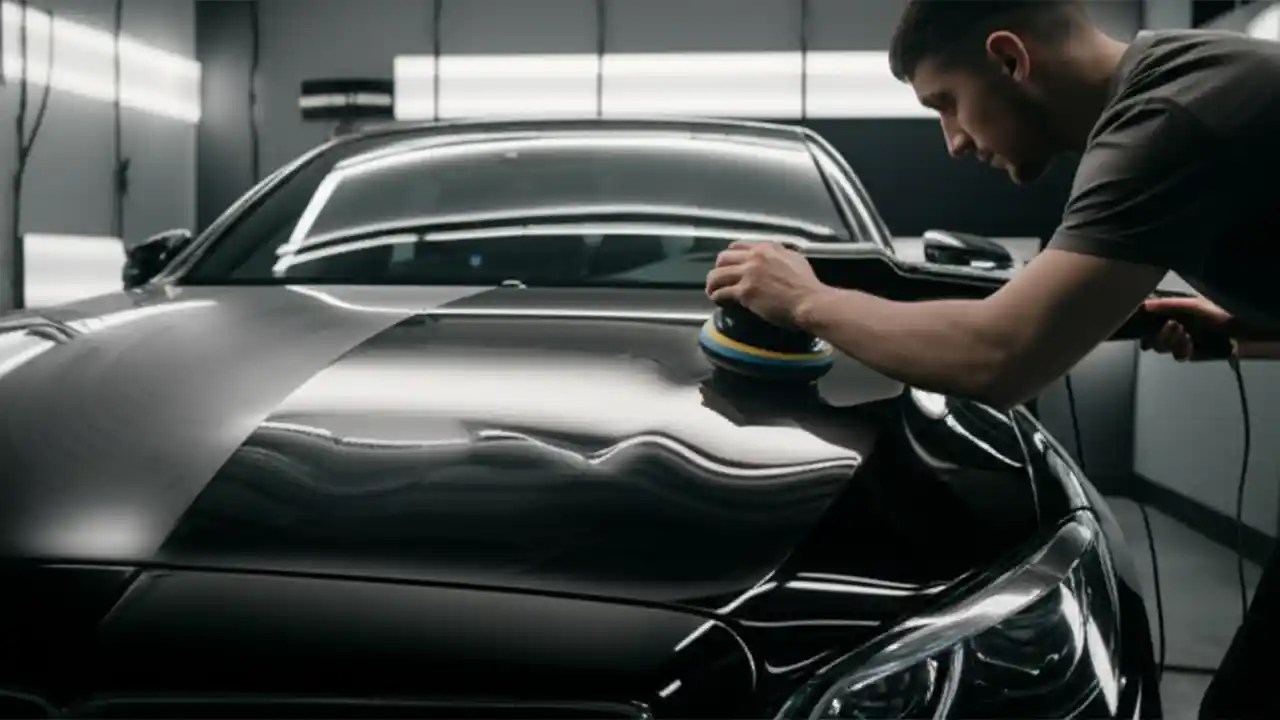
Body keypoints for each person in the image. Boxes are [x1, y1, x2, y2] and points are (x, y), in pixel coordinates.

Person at [705, 1, 1280, 718]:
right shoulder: (1187, 81)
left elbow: (998, 356)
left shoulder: (1166, 120)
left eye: (946, 103)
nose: (952, 143)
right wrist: (1244, 325)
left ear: (1010, 59)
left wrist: (804, 301)